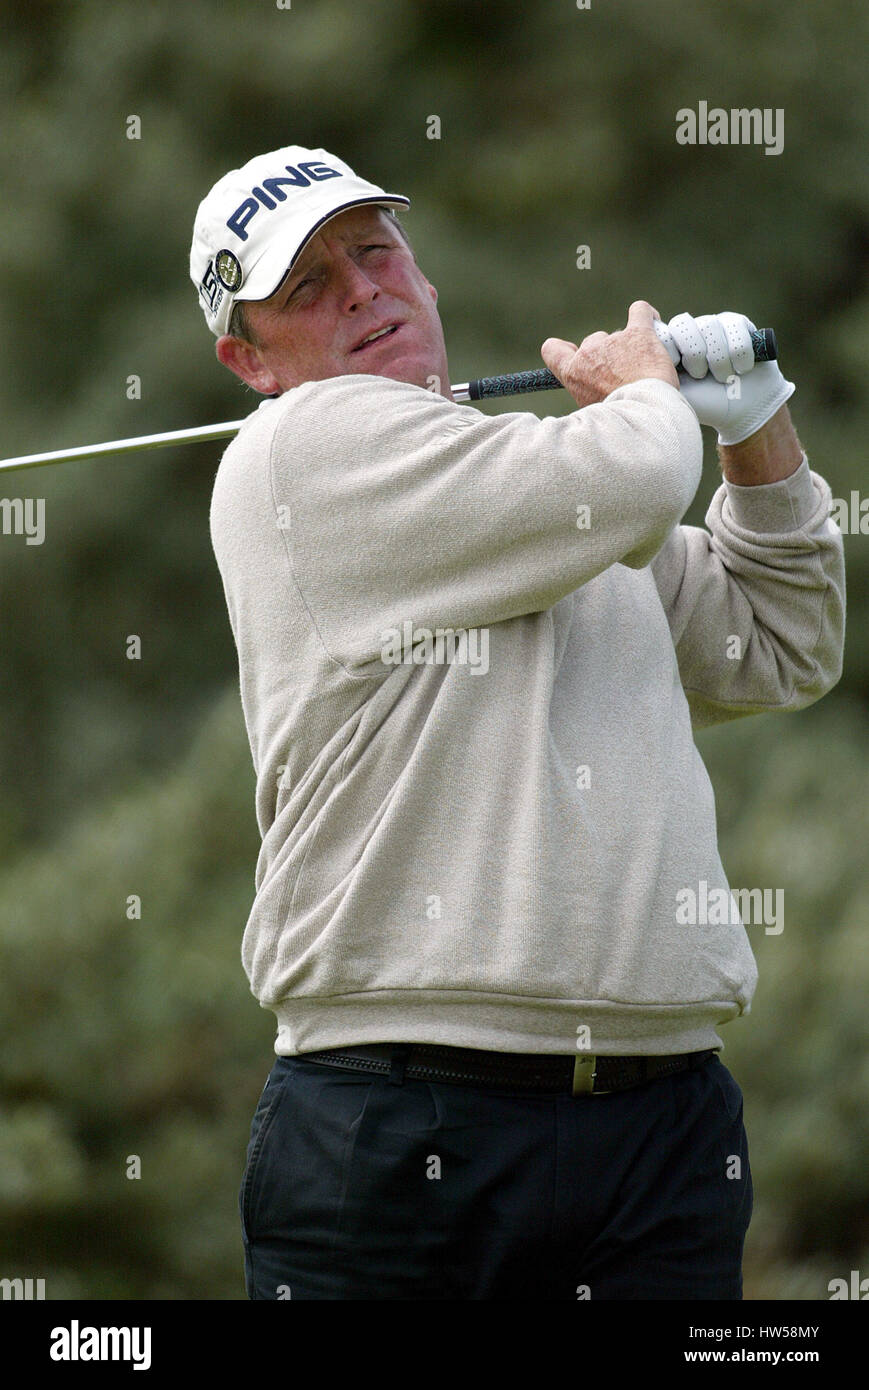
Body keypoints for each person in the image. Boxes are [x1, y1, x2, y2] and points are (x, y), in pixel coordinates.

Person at [190, 144, 845, 1300]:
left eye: (376, 251)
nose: (362, 289)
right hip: (406, 1121)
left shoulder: (533, 484)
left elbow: (782, 642)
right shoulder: (299, 454)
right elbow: (632, 478)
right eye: (307, 285)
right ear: (248, 359)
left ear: (424, 278)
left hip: (664, 1121)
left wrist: (754, 420)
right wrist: (646, 383)